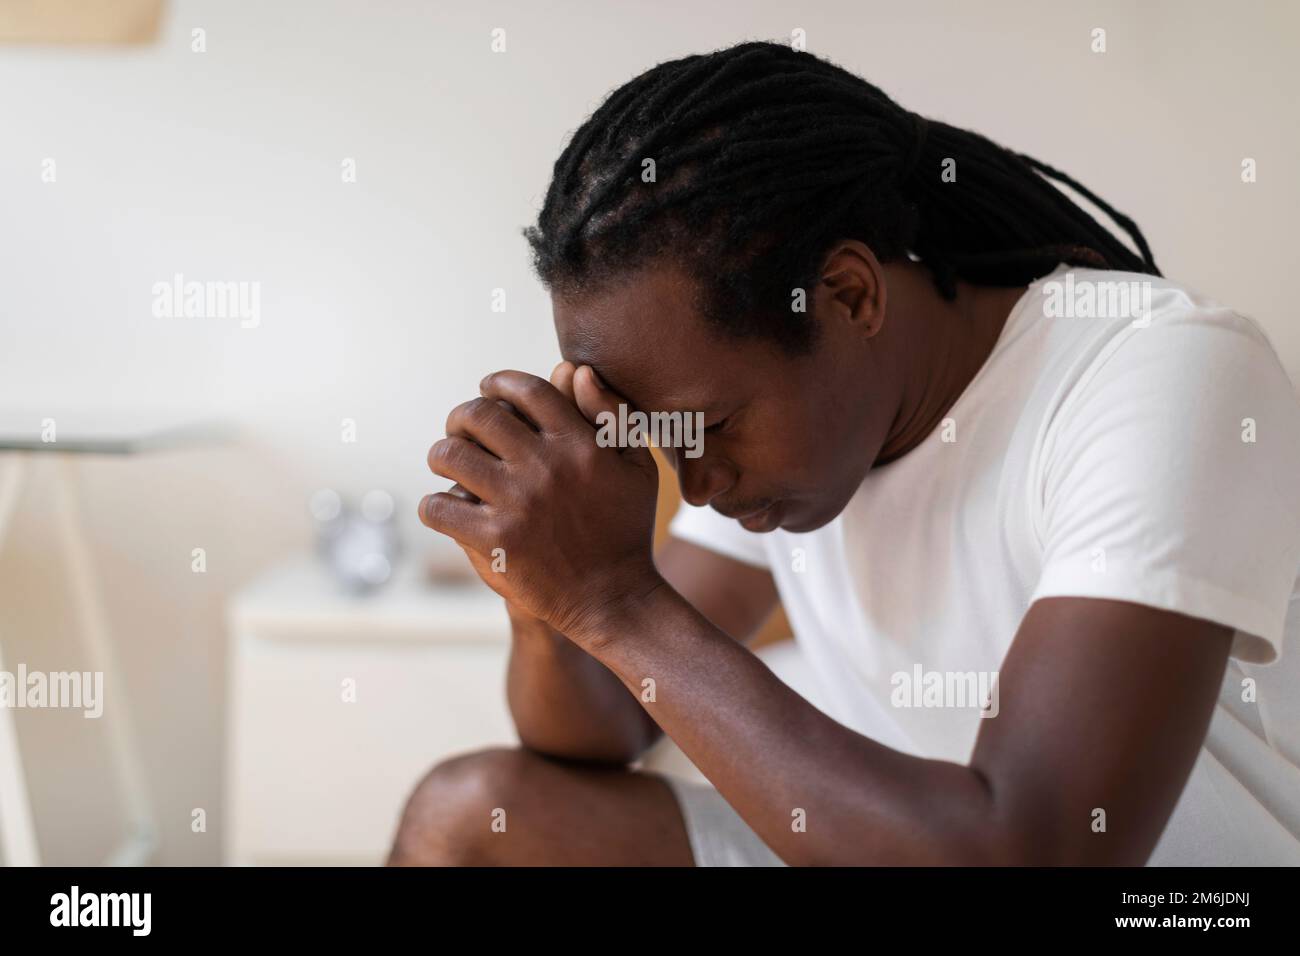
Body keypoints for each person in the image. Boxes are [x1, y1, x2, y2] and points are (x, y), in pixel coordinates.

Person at [388, 41, 1300, 866]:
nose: (698, 487)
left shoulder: (1160, 373)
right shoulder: (815, 443)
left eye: (707, 428)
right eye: (667, 442)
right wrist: (546, 589)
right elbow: (599, 730)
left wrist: (616, 599)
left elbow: (1033, 849)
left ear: (849, 296)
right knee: (470, 814)